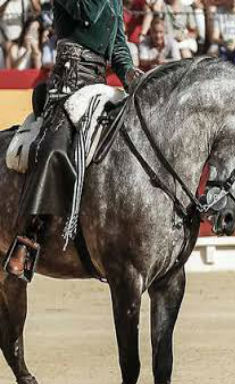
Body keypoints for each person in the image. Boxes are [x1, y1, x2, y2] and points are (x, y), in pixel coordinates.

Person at [4, 0, 143, 279]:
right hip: (68, 83)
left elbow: (116, 44)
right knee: (55, 147)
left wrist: (129, 73)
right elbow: (88, 13)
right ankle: (27, 238)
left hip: (99, 84)